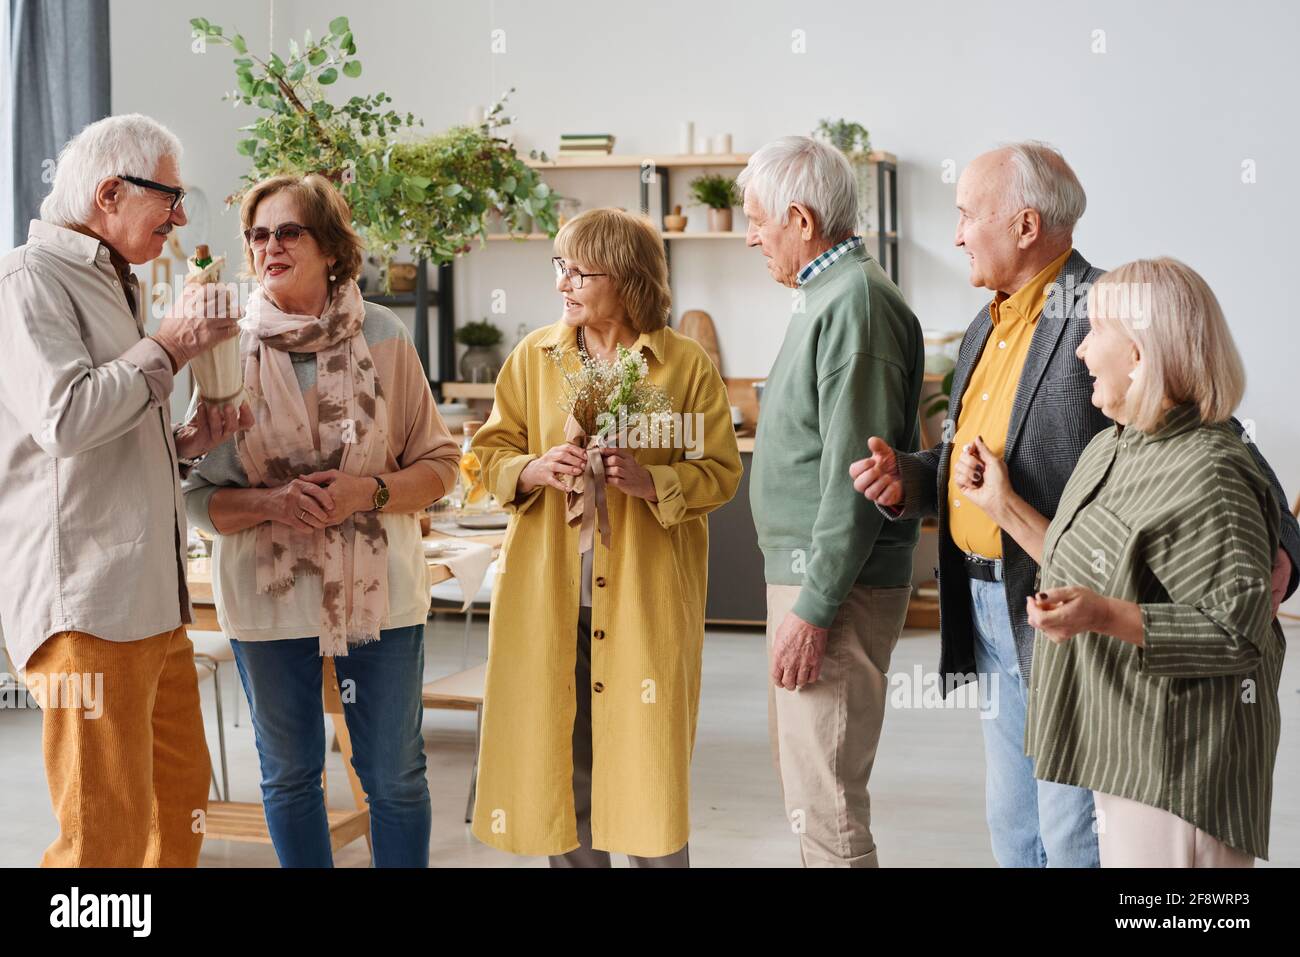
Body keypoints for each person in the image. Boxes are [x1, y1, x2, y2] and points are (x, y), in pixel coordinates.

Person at [852, 142, 1300, 867]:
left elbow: (1218, 448)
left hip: (1076, 625)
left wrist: (1285, 546)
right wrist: (912, 475)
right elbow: (980, 454)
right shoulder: (984, 324)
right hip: (987, 601)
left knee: (1076, 832)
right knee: (1014, 824)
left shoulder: (1113, 314)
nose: (958, 233)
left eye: (968, 215)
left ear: (1025, 225)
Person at [955, 258, 1283, 866]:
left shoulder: (1209, 469)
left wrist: (1104, 615)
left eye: (1094, 333)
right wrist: (1001, 505)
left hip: (1177, 771)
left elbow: (1240, 634)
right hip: (1123, 755)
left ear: (1138, 356)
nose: (1080, 352)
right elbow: (1082, 559)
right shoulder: (1111, 444)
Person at [182, 173, 459, 867]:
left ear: (331, 247)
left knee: (395, 775)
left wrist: (365, 493)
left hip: (383, 597)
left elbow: (440, 465)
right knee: (289, 774)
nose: (269, 246)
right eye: (258, 235)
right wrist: (274, 503)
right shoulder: (223, 349)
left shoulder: (385, 335)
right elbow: (194, 497)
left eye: (288, 231)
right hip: (265, 600)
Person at [0, 113, 247, 866]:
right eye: (171, 198)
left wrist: (179, 446)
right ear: (111, 191)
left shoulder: (116, 283)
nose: (179, 218)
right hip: (90, 605)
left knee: (179, 803)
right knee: (102, 829)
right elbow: (66, 419)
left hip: (152, 603)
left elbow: (100, 449)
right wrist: (170, 343)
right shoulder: (27, 280)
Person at [468, 207, 741, 866]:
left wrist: (652, 483)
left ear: (625, 278)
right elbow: (483, 457)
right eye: (559, 266)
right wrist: (533, 467)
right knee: (563, 770)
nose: (564, 282)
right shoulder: (534, 357)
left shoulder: (683, 367)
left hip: (644, 603)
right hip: (548, 599)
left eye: (579, 270)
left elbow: (721, 472)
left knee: (648, 769)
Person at [741, 135, 925, 867]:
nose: (752, 234)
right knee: (810, 792)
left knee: (828, 805)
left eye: (758, 219)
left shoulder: (854, 304)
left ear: (800, 217)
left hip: (833, 586)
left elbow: (858, 472)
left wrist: (814, 607)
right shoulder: (827, 295)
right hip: (811, 575)